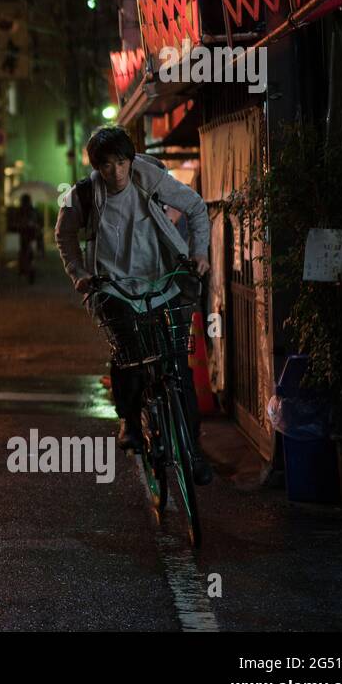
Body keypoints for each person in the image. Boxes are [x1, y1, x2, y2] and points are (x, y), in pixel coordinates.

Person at [54, 126, 215, 485]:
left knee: (177, 369)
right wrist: (79, 272)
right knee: (128, 354)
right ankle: (128, 419)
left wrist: (199, 252)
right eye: (107, 165)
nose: (116, 172)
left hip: (163, 282)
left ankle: (193, 453)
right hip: (113, 288)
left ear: (131, 161)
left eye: (122, 162)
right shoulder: (82, 194)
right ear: (97, 167)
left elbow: (196, 207)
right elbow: (63, 235)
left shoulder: (150, 177)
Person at [15, 193, 40, 284]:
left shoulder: (23, 210)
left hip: (27, 235)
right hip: (30, 235)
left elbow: (17, 222)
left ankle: (24, 269)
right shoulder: (31, 210)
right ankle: (28, 267)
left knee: (24, 252)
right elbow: (38, 222)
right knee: (28, 252)